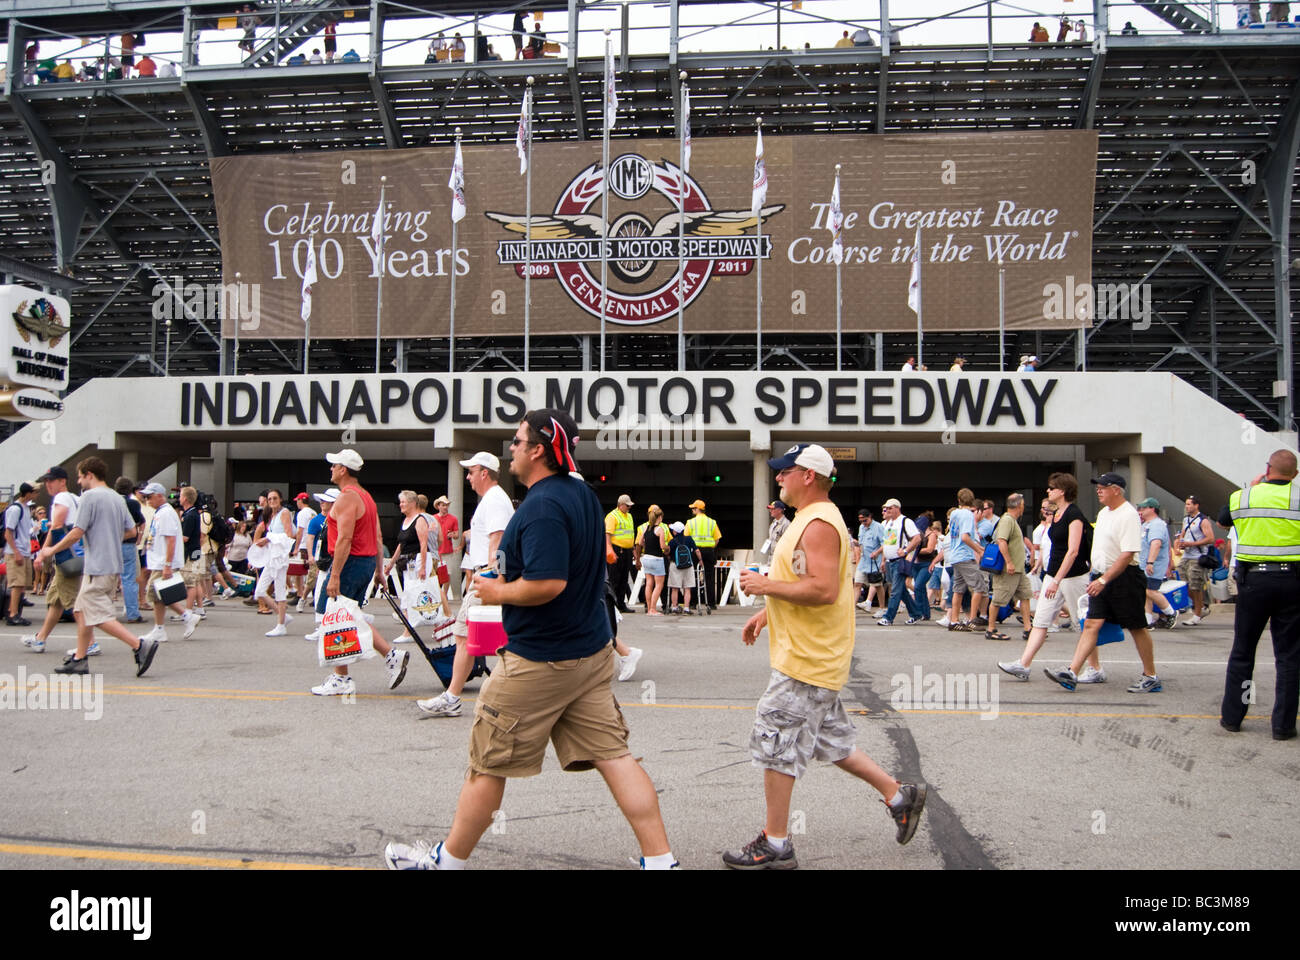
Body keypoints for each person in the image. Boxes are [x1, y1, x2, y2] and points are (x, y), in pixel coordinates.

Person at [385, 409, 678, 870]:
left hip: (541, 660)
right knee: (615, 756)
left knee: (487, 762)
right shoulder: (581, 492)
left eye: (518, 441)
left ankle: (447, 861)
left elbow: (548, 583)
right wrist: (503, 572)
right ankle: (661, 861)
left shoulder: (541, 505)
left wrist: (497, 590)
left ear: (538, 449)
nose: (512, 448)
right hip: (590, 653)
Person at [728, 444, 926, 869]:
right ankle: (900, 795)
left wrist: (764, 588)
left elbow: (823, 590)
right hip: (813, 655)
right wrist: (768, 611)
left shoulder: (818, 524)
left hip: (808, 661)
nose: (777, 478)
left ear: (808, 476)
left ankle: (776, 844)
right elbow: (803, 580)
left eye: (784, 472)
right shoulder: (809, 519)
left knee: (775, 742)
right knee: (830, 742)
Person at [39, 458, 160, 678]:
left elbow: (76, 532)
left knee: (97, 615)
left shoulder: (90, 497)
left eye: (80, 476)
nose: (78, 481)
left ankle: (139, 645)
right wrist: (108, 537)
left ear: (89, 475)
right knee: (80, 609)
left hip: (97, 565)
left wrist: (50, 550)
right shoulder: (117, 498)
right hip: (112, 563)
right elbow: (132, 531)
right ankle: (80, 659)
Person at [1044, 473, 1162, 693]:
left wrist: (1105, 579)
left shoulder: (1128, 515)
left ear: (1117, 490)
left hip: (1124, 577)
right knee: (1091, 624)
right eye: (1098, 487)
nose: (1098, 490)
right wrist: (1096, 574)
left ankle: (1151, 675)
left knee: (1137, 627)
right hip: (1101, 576)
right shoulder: (1104, 513)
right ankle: (1072, 672)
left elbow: (1127, 554)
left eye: (1103, 487)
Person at [416, 452, 513, 717]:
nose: (468, 477)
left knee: (487, 639)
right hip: (485, 576)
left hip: (487, 577)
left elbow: (498, 541)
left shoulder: (494, 500)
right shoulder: (493, 499)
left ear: (484, 473)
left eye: (471, 471)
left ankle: (455, 697)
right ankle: (454, 696)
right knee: (466, 637)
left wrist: (495, 578)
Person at [310, 450, 409, 695]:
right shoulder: (366, 497)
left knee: (332, 614)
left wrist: (334, 575)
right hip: (363, 562)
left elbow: (344, 538)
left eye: (334, 465)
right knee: (346, 614)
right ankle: (386, 657)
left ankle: (345, 677)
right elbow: (376, 537)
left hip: (349, 562)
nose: (331, 469)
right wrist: (378, 570)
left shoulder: (347, 498)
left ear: (343, 469)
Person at [1219, 449, 1300, 740]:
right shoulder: (1297, 497)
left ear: (1267, 469)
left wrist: (1253, 488)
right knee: (1289, 656)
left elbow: (1223, 520)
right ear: (1295, 474)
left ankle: (1232, 717)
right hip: (1292, 581)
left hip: (1253, 582)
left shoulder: (1244, 496)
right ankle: (1282, 726)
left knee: (1243, 651)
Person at [1000, 473, 1102, 682]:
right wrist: (1050, 576)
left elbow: (1073, 551)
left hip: (1073, 578)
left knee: (1084, 626)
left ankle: (1095, 668)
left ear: (1062, 491)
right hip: (1053, 575)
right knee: (1041, 621)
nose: (1048, 490)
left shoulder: (1074, 515)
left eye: (1051, 487)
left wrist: (1056, 580)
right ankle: (1024, 664)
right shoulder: (1056, 513)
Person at [20, 467, 86, 654]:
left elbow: (57, 526)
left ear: (62, 481)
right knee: (56, 600)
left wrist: (43, 553)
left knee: (74, 604)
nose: (48, 484)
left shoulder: (61, 498)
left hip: (68, 557)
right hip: (75, 556)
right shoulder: (75, 498)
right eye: (47, 481)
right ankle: (40, 639)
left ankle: (90, 643)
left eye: (52, 480)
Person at [138, 483, 201, 643]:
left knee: (156, 594)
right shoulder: (162, 512)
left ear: (159, 495)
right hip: (159, 561)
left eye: (149, 496)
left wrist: (167, 564)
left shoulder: (165, 513)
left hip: (163, 563)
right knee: (160, 595)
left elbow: (171, 540)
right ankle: (180, 619)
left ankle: (172, 623)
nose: (147, 500)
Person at [986, 494, 1033, 641]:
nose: (1024, 507)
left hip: (1018, 569)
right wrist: (1009, 562)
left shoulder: (1012, 521)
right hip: (1010, 569)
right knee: (999, 598)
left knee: (1025, 596)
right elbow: (1001, 541)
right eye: (1023, 504)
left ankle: (1028, 629)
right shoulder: (1007, 520)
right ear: (1019, 506)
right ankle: (991, 629)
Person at [875, 498, 924, 626]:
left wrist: (906, 551)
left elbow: (917, 538)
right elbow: (886, 543)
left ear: (897, 508)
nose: (887, 510)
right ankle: (916, 613)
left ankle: (888, 617)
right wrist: (883, 560)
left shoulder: (905, 521)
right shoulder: (886, 523)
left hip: (899, 561)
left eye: (890, 508)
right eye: (886, 508)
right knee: (901, 590)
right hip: (890, 561)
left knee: (896, 590)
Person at [1136, 497, 1178, 628]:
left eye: (1143, 508)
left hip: (1154, 565)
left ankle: (1170, 612)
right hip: (1144, 564)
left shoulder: (1157, 525)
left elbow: (1156, 543)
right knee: (1145, 592)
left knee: (1150, 591)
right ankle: (1147, 621)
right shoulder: (1146, 524)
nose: (1140, 511)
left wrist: (1150, 562)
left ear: (1152, 509)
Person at [1175, 495, 1215, 624]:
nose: (1187, 507)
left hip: (1197, 556)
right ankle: (1202, 606)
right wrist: (1179, 543)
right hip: (1186, 555)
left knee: (1195, 585)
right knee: (1183, 583)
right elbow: (1183, 534)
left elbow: (1210, 538)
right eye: (1186, 504)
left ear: (1196, 505)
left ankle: (1197, 613)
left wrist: (1191, 544)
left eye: (1189, 504)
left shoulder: (1202, 520)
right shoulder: (1186, 519)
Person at [5, 483, 38, 626]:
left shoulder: (25, 508)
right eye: (35, 491)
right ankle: (12, 614)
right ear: (28, 493)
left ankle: (14, 611)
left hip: (24, 551)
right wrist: (16, 552)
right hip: (15, 551)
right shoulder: (15, 509)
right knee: (17, 584)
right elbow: (8, 533)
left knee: (22, 584)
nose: (36, 494)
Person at [685, 499, 721, 609]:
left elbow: (686, 538)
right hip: (709, 551)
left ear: (697, 509)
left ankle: (693, 603)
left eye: (693, 508)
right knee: (709, 577)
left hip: (696, 551)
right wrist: (710, 547)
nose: (692, 510)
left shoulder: (690, 522)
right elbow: (717, 539)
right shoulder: (712, 522)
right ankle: (711, 603)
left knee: (694, 576)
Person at [634, 504, 667, 617]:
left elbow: (640, 543)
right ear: (660, 517)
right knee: (659, 585)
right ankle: (653, 609)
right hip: (657, 559)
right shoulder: (660, 529)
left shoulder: (646, 529)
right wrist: (668, 548)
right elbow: (662, 546)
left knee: (649, 584)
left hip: (646, 558)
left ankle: (649, 608)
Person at [605, 493, 636, 613]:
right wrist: (609, 549)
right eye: (627, 506)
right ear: (621, 505)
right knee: (614, 578)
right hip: (617, 549)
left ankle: (621, 604)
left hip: (627, 550)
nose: (629, 508)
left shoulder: (629, 516)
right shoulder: (612, 516)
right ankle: (612, 604)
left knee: (624, 578)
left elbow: (630, 534)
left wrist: (633, 551)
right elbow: (607, 534)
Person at [665, 521, 699, 614]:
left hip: (675, 566)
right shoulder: (689, 539)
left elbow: (667, 553)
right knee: (687, 588)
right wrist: (700, 561)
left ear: (675, 532)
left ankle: (675, 607)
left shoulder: (672, 541)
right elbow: (697, 551)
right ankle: (687, 608)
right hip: (688, 566)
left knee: (675, 588)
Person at [854, 508, 884, 611]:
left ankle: (881, 608)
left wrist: (877, 552)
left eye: (865, 520)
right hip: (863, 560)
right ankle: (852, 609)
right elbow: (861, 542)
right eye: (861, 521)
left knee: (877, 585)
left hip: (874, 561)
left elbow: (885, 544)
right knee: (857, 583)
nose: (863, 523)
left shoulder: (878, 527)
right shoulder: (861, 527)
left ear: (870, 517)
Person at [292, 492, 317, 610]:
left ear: (300, 501)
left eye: (297, 501)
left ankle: (299, 594)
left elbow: (300, 531)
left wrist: (296, 547)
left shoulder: (302, 513)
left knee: (300, 571)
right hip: (314, 544)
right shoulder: (314, 512)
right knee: (313, 572)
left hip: (304, 544)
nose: (297, 503)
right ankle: (315, 596)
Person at [431, 494, 460, 599]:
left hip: (448, 551)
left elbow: (457, 535)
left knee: (447, 574)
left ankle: (444, 594)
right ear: (438, 506)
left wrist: (453, 534)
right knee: (434, 574)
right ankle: (435, 595)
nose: (445, 507)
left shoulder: (453, 519)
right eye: (443, 505)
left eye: (447, 505)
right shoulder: (432, 518)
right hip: (435, 551)